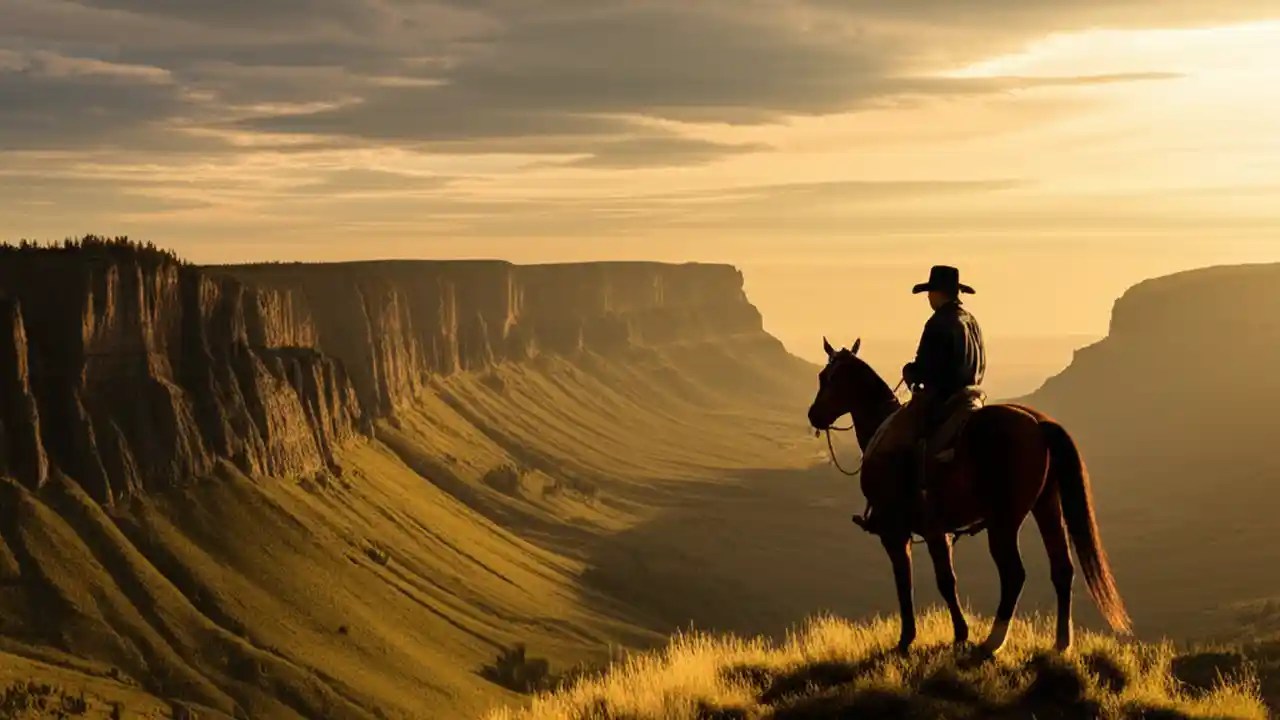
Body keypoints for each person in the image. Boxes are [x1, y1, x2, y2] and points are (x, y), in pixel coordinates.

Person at [863, 265, 986, 532]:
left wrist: (911, 371)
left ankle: (898, 509)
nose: (929, 298)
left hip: (944, 398)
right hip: (972, 397)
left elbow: (928, 367)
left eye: (930, 292)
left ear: (937, 293)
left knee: (896, 440)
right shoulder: (971, 321)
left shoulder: (938, 322)